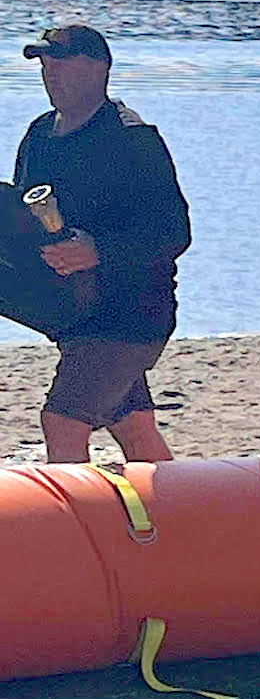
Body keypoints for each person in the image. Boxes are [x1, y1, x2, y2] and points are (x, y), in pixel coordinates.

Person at [15, 25, 191, 463]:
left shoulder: (132, 138)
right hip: (75, 312)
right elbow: (21, 217)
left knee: (63, 421)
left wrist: (98, 251)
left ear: (98, 68)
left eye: (60, 61)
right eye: (44, 63)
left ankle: (67, 528)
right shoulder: (39, 136)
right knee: (132, 425)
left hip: (131, 314)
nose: (49, 72)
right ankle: (183, 517)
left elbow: (174, 232)